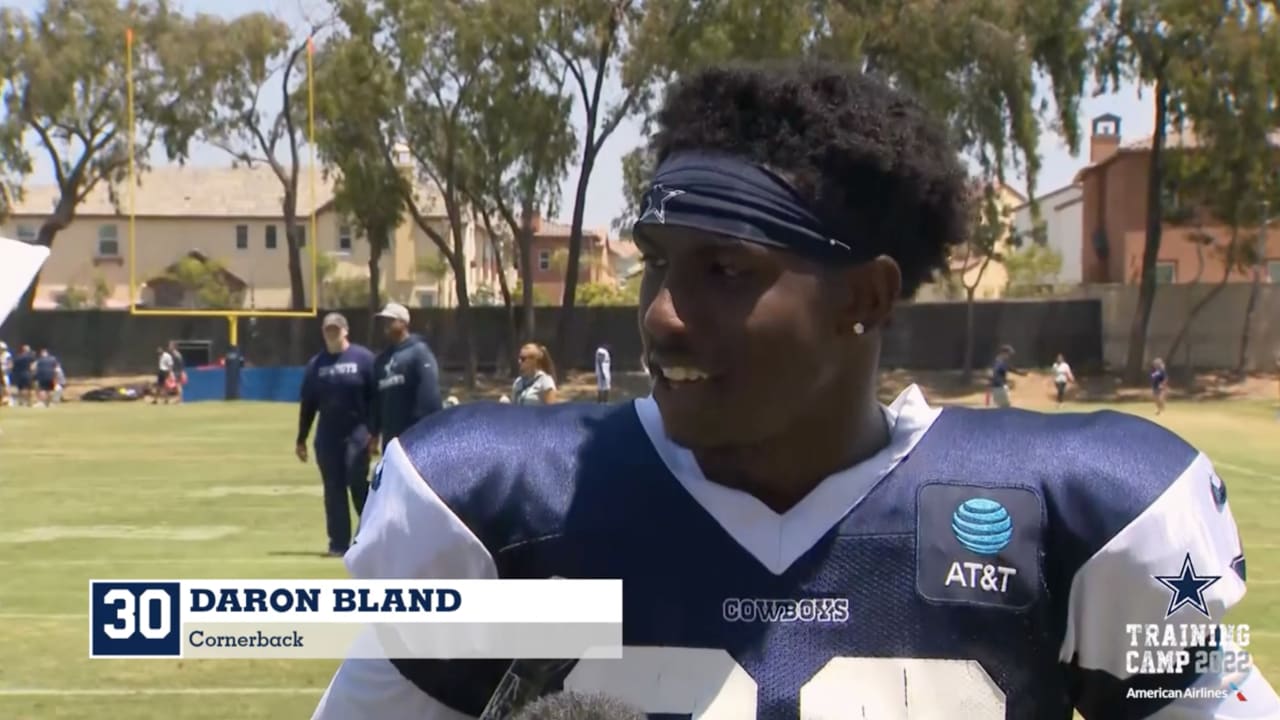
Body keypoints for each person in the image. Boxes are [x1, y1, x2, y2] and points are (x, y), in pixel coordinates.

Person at [312, 61, 1277, 719]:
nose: (660, 315)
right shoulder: (507, 506)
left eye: (725, 271)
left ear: (867, 295)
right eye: (659, 265)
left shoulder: (1084, 510)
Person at [297, 313, 378, 557]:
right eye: (327, 330)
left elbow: (376, 398)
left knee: (357, 481)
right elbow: (308, 404)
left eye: (335, 329)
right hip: (328, 435)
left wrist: (375, 432)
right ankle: (339, 544)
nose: (331, 333)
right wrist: (301, 438)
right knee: (333, 489)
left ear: (345, 331)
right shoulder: (316, 365)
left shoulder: (364, 359)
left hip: (358, 432)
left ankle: (370, 538)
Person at [371, 302, 443, 451]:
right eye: (384, 320)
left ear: (403, 323)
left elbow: (429, 396)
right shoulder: (381, 360)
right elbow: (377, 400)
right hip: (391, 442)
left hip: (416, 438)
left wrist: (430, 431)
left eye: (390, 320)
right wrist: (374, 431)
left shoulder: (419, 352)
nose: (386, 324)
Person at [988, 344, 1025, 408]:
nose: (1009, 356)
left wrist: (1020, 373)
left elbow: (1009, 368)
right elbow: (995, 374)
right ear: (1004, 353)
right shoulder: (999, 362)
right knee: (1004, 407)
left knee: (1002, 406)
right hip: (998, 387)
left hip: (998, 386)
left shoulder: (1001, 361)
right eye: (1008, 354)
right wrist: (1002, 384)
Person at [0, 341, 11, 407]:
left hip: (4, 372)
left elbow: (10, 364)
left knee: (6, 386)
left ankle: (7, 399)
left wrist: (6, 371)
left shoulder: (7, 355)